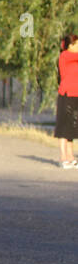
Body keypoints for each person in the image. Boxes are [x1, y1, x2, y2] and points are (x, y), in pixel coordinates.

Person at [57, 33, 78, 168]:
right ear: (70, 46)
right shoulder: (65, 56)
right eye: (76, 44)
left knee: (72, 127)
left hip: (76, 95)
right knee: (64, 127)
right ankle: (63, 157)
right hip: (66, 95)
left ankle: (71, 157)